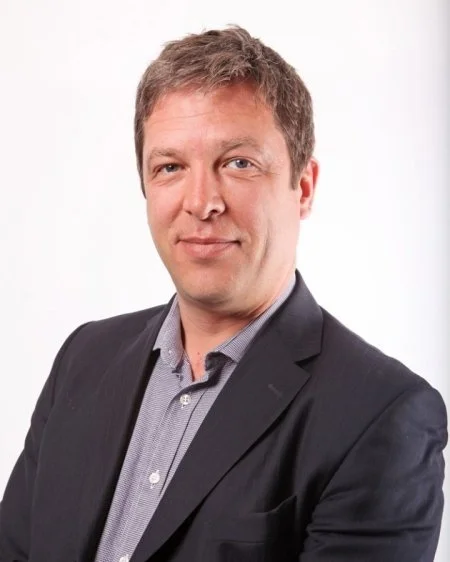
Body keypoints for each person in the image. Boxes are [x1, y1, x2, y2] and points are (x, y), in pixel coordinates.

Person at [0, 25, 447, 562]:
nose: (201, 202)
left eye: (238, 163)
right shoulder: (84, 358)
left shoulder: (380, 415)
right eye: (170, 167)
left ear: (303, 188)